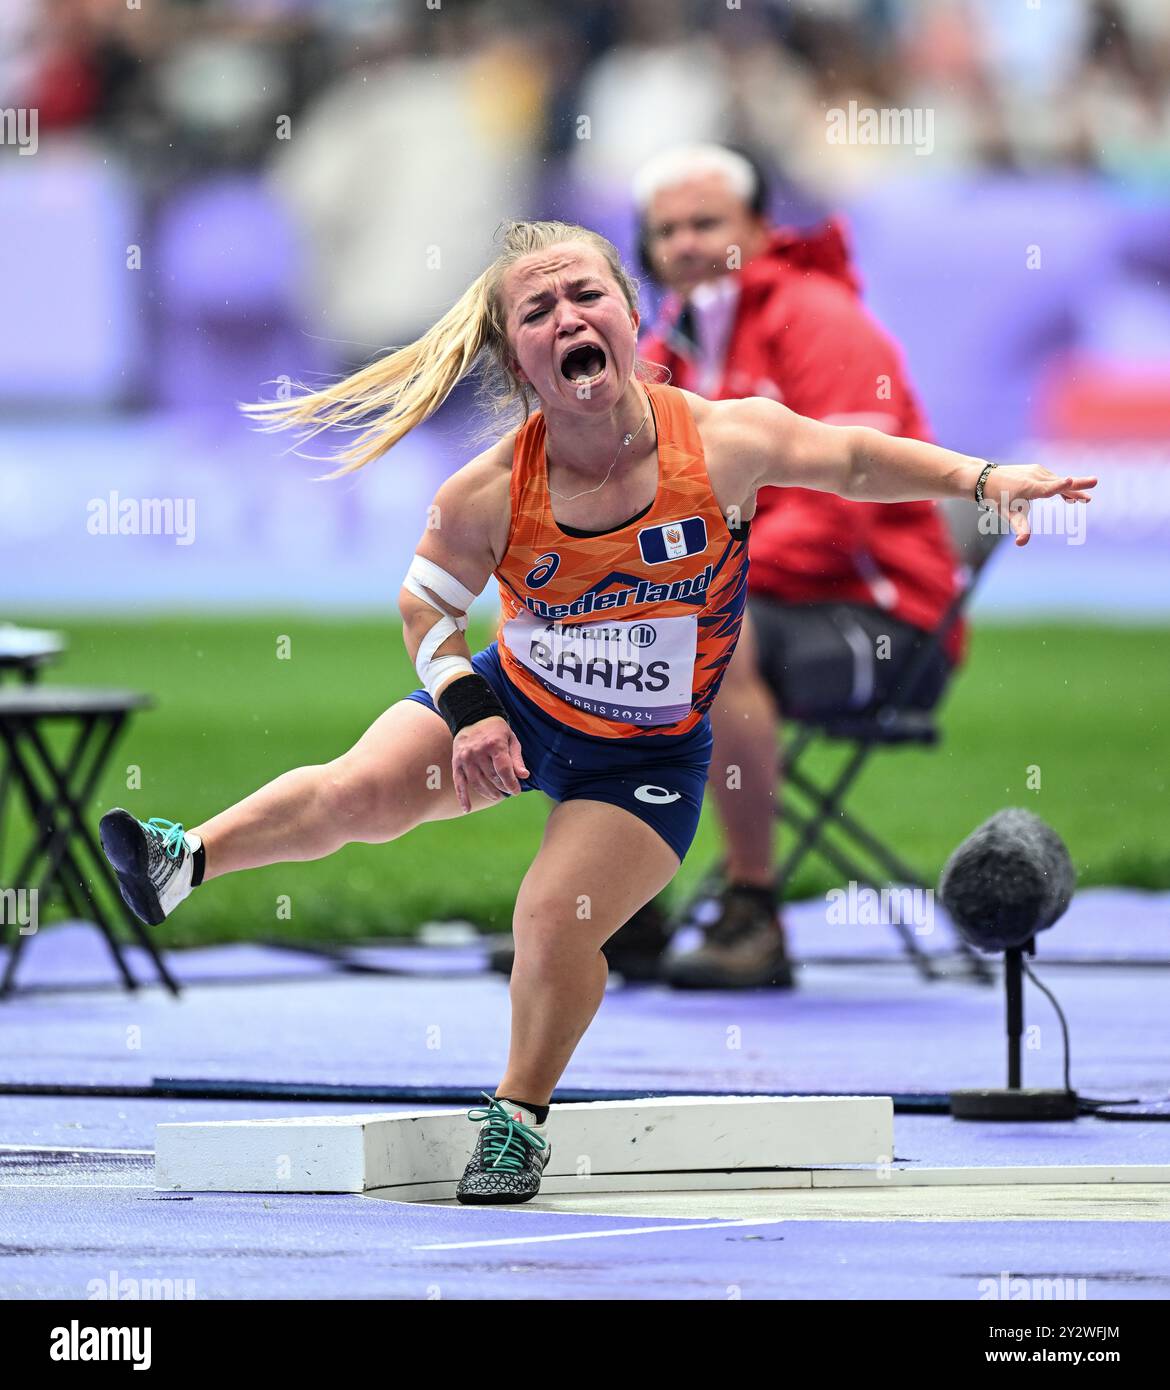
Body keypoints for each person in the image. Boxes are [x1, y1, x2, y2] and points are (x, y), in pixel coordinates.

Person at [97, 219, 1094, 1204]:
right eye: (538, 309)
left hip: (644, 763)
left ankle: (517, 1121)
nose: (567, 316)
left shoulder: (725, 439)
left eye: (586, 295)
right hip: (516, 708)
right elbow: (426, 617)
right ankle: (182, 860)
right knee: (359, 789)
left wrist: (985, 477)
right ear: (517, 358)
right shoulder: (486, 490)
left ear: (631, 315)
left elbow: (856, 460)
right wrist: (473, 706)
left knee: (552, 915)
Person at [634, 144, 970, 989]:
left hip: (889, 621)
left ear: (758, 228)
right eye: (665, 230)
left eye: (706, 223)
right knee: (571, 625)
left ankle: (755, 915)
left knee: (711, 632)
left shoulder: (818, 317)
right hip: (756, 598)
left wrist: (683, 582)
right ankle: (618, 906)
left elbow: (843, 512)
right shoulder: (666, 342)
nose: (684, 243)